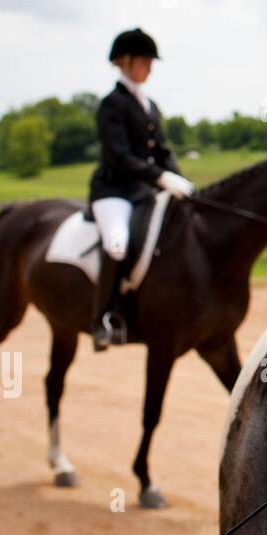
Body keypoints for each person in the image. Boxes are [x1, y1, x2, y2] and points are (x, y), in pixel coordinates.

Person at [87, 27, 195, 351]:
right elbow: (119, 157)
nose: (149, 67)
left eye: (151, 62)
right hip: (114, 192)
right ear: (126, 61)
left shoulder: (150, 105)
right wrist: (160, 178)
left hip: (144, 192)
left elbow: (162, 151)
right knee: (118, 244)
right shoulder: (111, 105)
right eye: (145, 61)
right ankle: (102, 319)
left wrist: (179, 180)